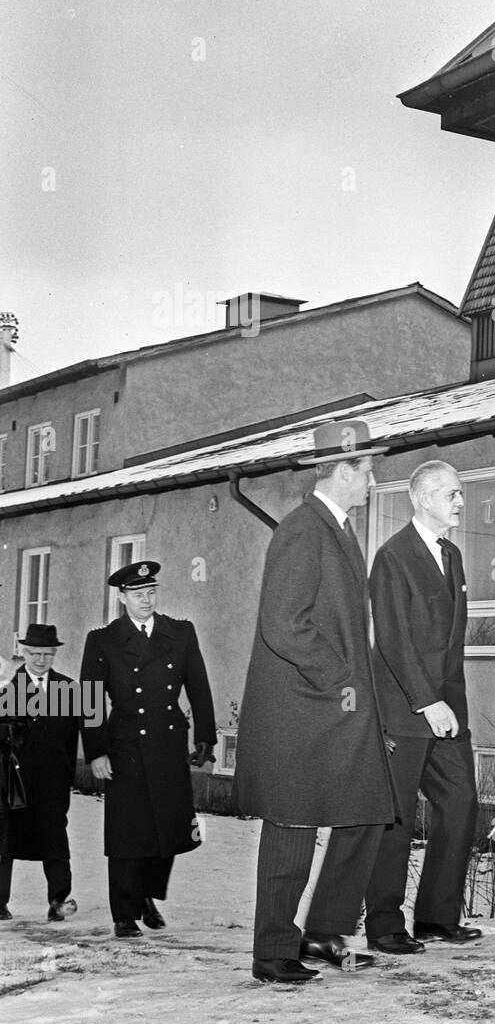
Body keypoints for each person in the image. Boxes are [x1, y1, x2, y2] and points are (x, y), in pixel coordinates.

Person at [233, 419, 398, 985]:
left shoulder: (336, 528)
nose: (373, 481)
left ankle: (321, 930)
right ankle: (273, 953)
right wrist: (340, 675)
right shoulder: (306, 530)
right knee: (292, 828)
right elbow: (284, 624)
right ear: (345, 470)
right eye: (368, 469)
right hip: (305, 708)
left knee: (367, 808)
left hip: (330, 707)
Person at [364, 459, 481, 953]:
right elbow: (392, 639)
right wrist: (425, 701)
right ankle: (385, 925)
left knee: (460, 803)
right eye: (451, 494)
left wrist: (447, 703)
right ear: (421, 499)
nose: (460, 502)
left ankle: (436, 917)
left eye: (460, 493)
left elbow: (449, 643)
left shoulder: (451, 555)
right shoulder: (392, 557)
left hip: (447, 711)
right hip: (405, 710)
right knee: (396, 817)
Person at [80, 562, 216, 936]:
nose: (146, 600)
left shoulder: (180, 633)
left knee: (171, 826)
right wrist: (96, 752)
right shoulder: (104, 639)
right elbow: (90, 700)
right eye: (138, 594)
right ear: (121, 597)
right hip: (125, 746)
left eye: (151, 592)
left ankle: (146, 894)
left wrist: (206, 737)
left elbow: (198, 685)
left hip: (169, 743)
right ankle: (124, 913)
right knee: (127, 832)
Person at [0, 624, 82, 922]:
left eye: (47, 654)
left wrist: (65, 777)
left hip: (51, 782)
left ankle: (58, 901)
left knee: (55, 840)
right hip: (10, 780)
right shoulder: (7, 687)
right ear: (23, 652)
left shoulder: (70, 689)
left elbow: (72, 739)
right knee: (4, 839)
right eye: (34, 653)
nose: (40, 660)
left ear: (55, 654)